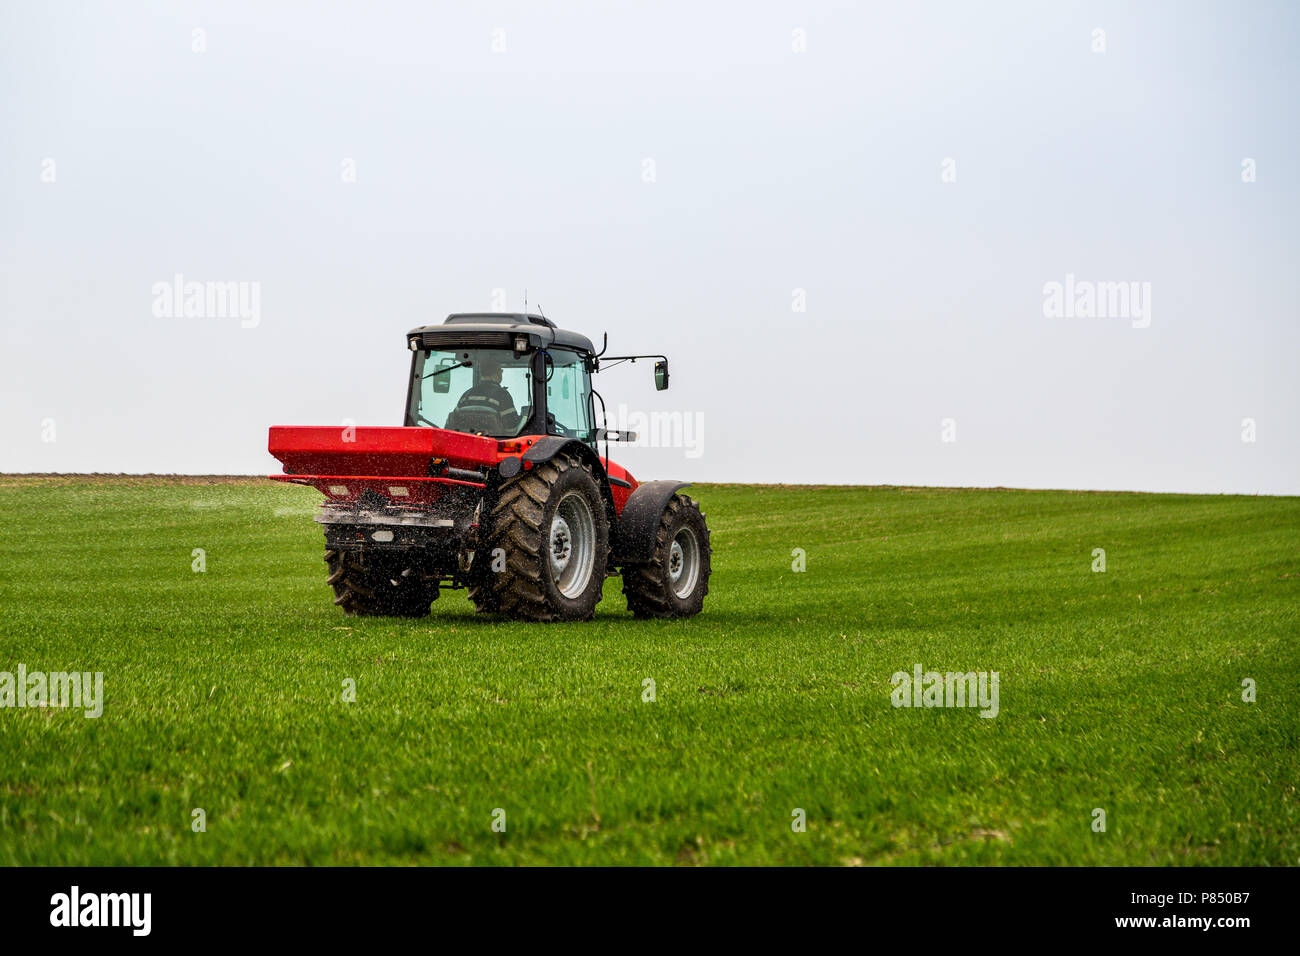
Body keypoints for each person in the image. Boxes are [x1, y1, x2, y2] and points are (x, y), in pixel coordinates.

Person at [452, 354, 520, 433]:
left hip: (466, 442)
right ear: (497, 372)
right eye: (501, 371)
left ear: (482, 373)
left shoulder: (466, 396)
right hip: (494, 443)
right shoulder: (502, 395)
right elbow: (512, 428)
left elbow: (453, 422)